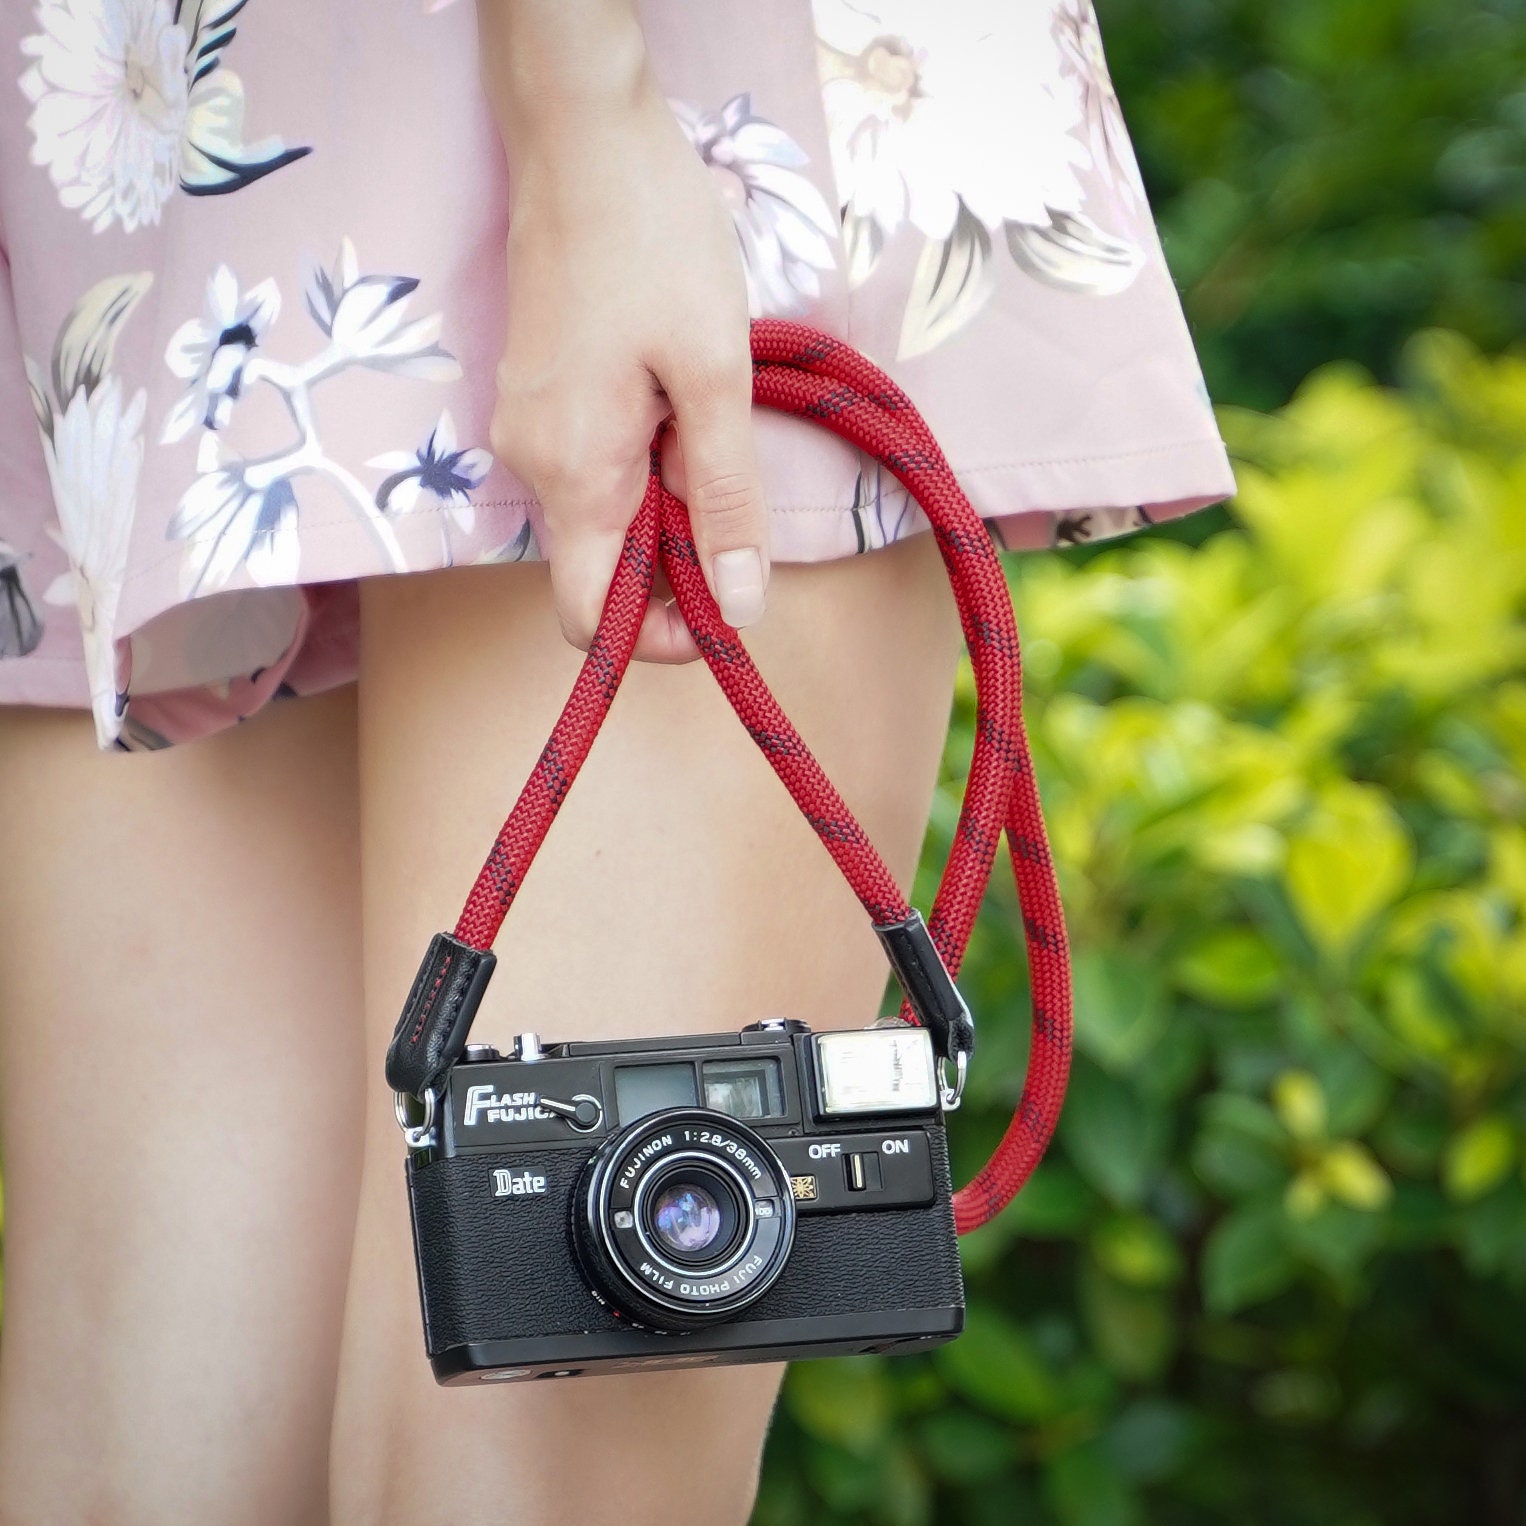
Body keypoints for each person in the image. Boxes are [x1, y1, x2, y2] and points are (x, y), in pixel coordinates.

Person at [0, 1, 1234, 1521]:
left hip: (167, 142)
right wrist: (590, 109)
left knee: (156, 1460)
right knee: (517, 1469)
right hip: (668, 110)